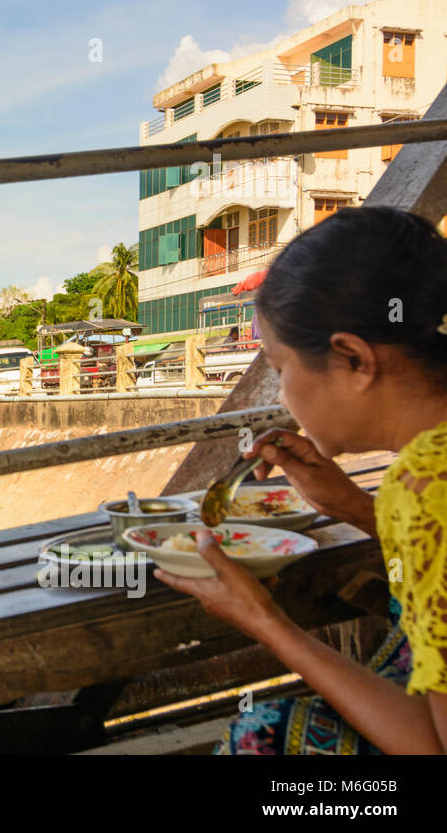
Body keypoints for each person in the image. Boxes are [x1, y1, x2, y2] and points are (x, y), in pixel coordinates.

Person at [155, 206, 447, 754]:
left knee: (258, 739)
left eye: (281, 368)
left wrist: (265, 622)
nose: (282, 398)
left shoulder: (426, 486)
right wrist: (360, 510)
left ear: (354, 358)